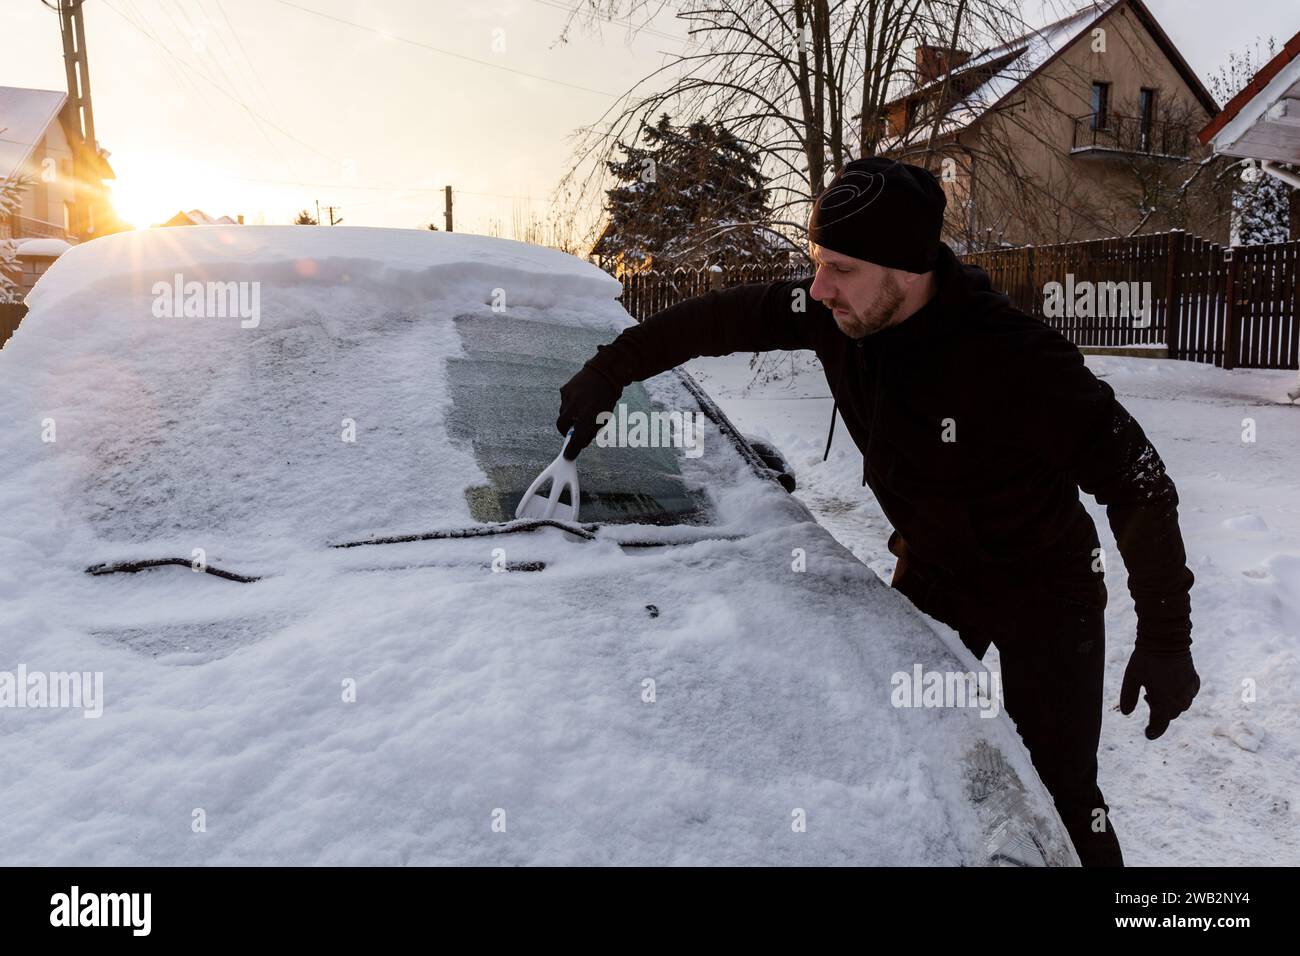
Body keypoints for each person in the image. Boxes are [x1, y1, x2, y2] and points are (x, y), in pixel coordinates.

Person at [555, 157, 1200, 866]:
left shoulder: (1018, 360)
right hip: (933, 577)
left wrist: (1168, 636)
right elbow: (715, 320)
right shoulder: (839, 314)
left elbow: (1138, 481)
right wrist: (609, 370)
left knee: (1059, 791)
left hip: (1045, 595)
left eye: (843, 268)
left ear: (909, 267)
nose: (820, 288)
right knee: (913, 747)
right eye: (817, 263)